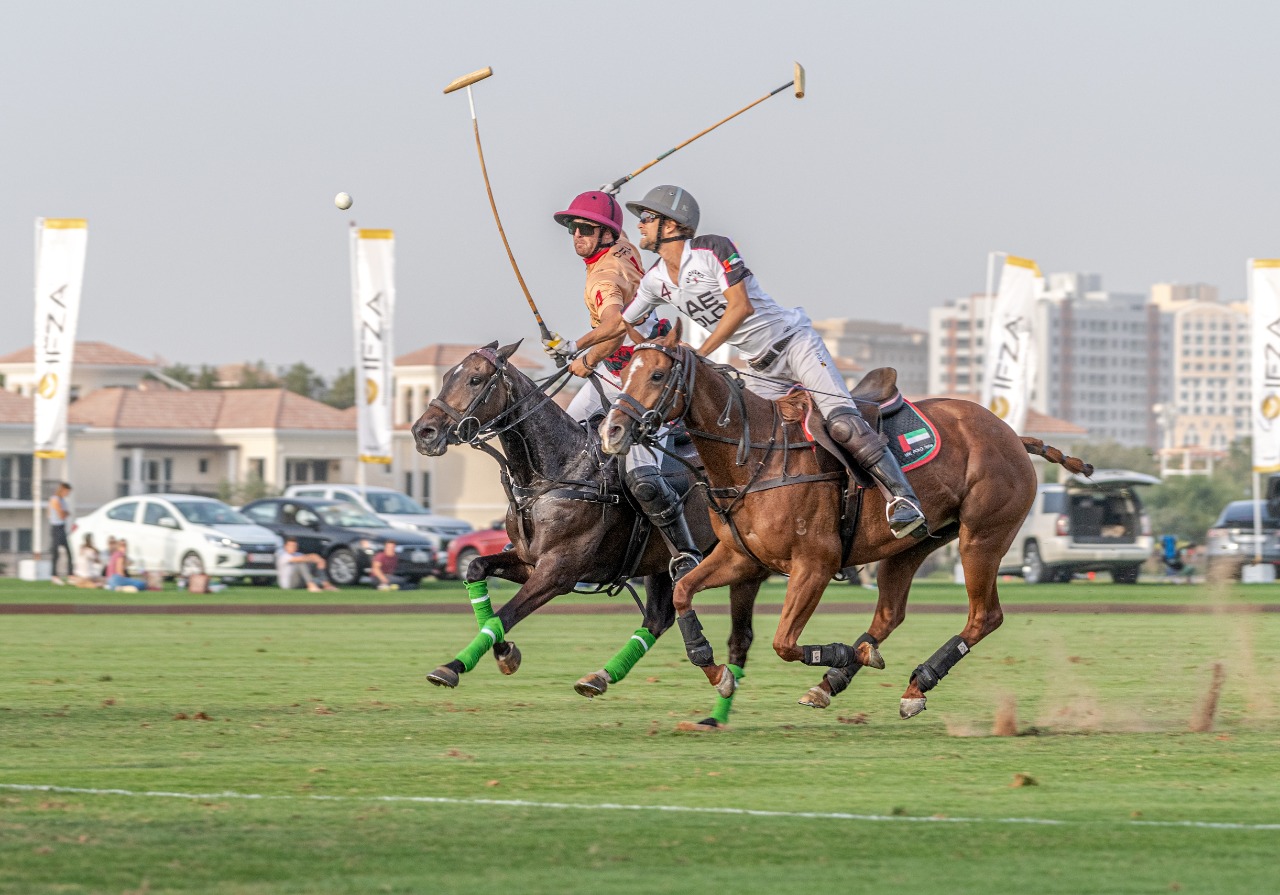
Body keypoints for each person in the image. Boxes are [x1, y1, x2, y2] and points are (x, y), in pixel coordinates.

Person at [603, 184, 927, 543]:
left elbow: (742, 306)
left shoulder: (712, 249)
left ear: (671, 224)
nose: (640, 227)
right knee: (741, 435)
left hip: (793, 344)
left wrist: (701, 353)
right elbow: (621, 323)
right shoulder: (655, 280)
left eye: (647, 219)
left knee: (842, 421)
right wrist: (580, 352)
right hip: (759, 366)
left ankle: (902, 499)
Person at [542, 190, 703, 581]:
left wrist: (581, 354)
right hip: (613, 374)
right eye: (573, 229)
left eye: (585, 229)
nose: (576, 236)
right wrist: (605, 203)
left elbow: (615, 325)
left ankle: (684, 553)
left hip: (643, 380)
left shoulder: (605, 276)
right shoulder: (625, 249)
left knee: (642, 474)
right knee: (559, 438)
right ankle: (556, 533)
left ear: (605, 235)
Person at [48, 482, 73, 585]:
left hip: (62, 527)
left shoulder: (63, 501)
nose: (68, 494)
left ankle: (70, 575)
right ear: (63, 490)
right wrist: (64, 512)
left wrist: (64, 512)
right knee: (56, 553)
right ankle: (54, 575)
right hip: (56, 527)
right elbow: (62, 514)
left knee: (69, 552)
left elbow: (66, 513)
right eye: (67, 491)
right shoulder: (55, 500)